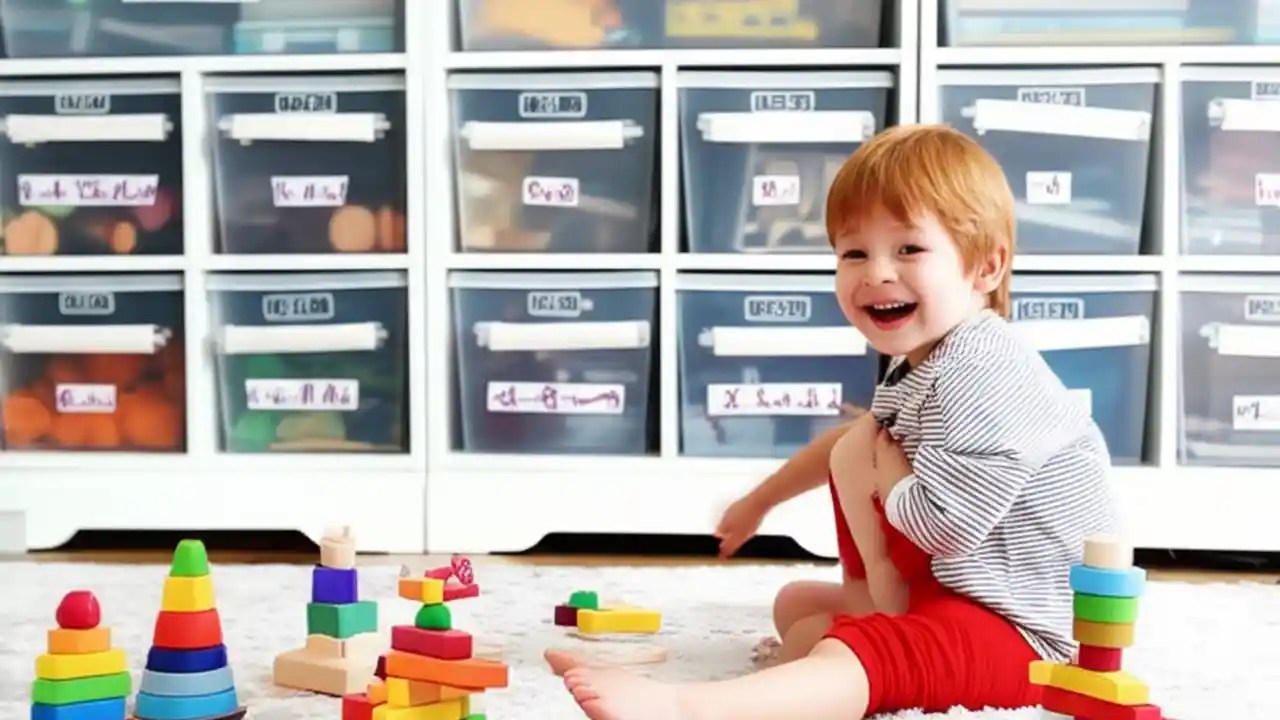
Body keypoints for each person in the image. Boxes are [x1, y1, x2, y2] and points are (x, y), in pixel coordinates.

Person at [544, 123, 1120, 720]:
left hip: (1029, 638)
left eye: (909, 249)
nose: (875, 273)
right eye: (853, 253)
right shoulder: (929, 362)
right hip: (955, 593)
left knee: (874, 654)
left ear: (986, 268)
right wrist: (758, 503)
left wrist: (892, 475)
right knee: (798, 604)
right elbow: (844, 448)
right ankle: (829, 665)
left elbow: (947, 527)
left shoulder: (986, 371)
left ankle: (687, 706)